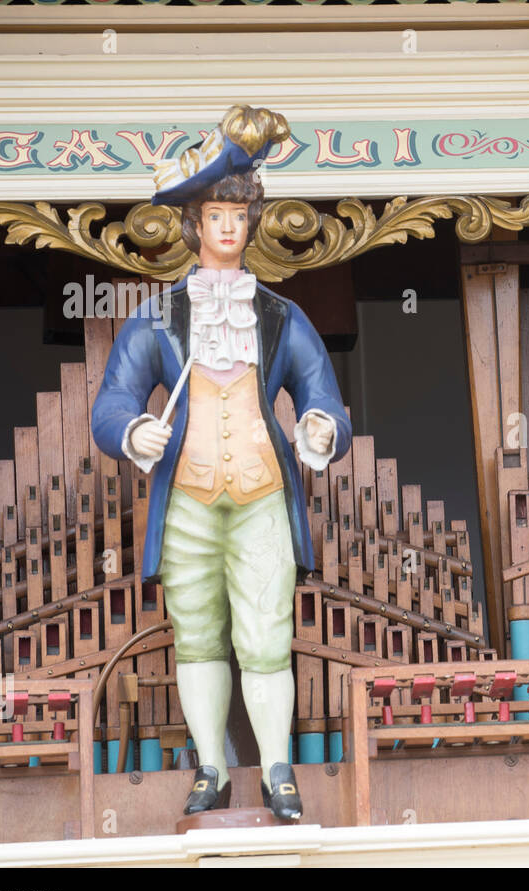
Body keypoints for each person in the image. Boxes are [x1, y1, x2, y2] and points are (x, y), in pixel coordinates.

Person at [92, 106, 352, 819]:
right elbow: (110, 403)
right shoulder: (154, 317)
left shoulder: (281, 316)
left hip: (263, 493)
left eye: (240, 213)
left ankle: (277, 769)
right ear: (195, 225)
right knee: (200, 634)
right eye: (216, 213)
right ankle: (211, 767)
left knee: (266, 636)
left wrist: (322, 427)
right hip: (189, 503)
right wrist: (135, 431)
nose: (230, 226)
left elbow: (322, 393)